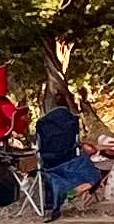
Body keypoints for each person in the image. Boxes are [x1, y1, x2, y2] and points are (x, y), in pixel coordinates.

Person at [32, 82, 107, 216]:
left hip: (49, 164)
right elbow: (79, 145)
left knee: (77, 177)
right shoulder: (70, 123)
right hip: (72, 162)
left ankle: (70, 194)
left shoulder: (43, 125)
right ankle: (74, 193)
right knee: (93, 176)